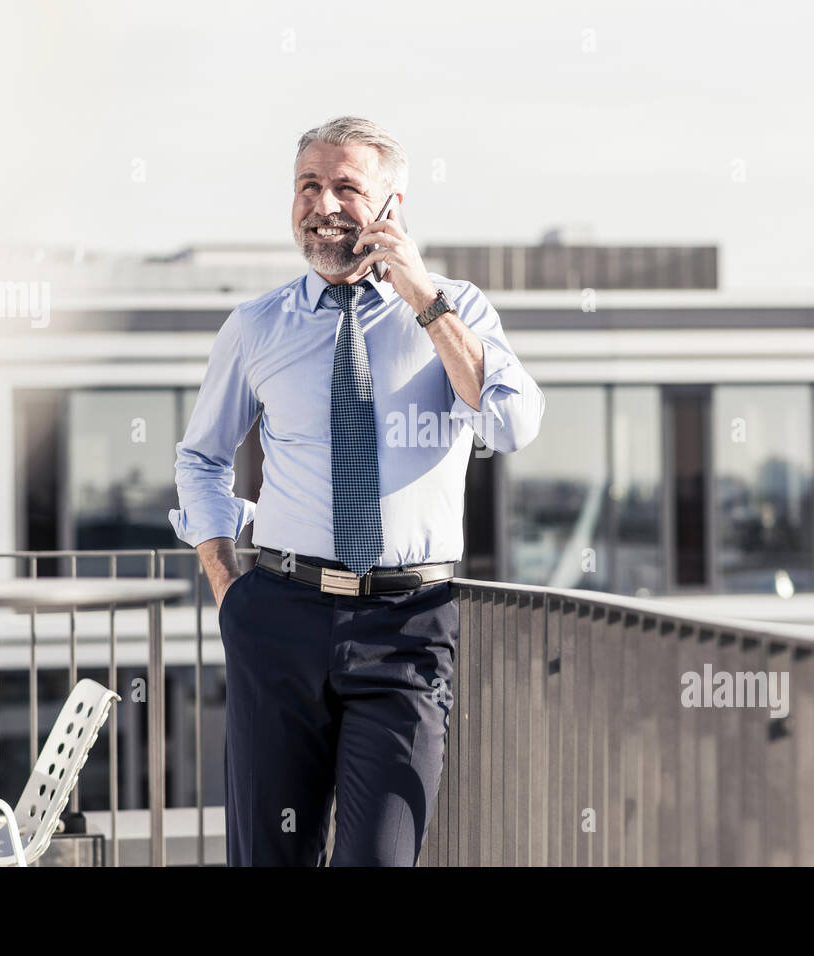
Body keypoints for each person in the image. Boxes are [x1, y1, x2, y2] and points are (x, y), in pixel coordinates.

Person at [169, 116, 545, 866]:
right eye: (309, 185)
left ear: (391, 207)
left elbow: (510, 423)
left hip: (405, 631)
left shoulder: (456, 309)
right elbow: (200, 460)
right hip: (278, 617)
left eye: (347, 186)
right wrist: (228, 589)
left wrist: (424, 300)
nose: (324, 203)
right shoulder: (256, 326)